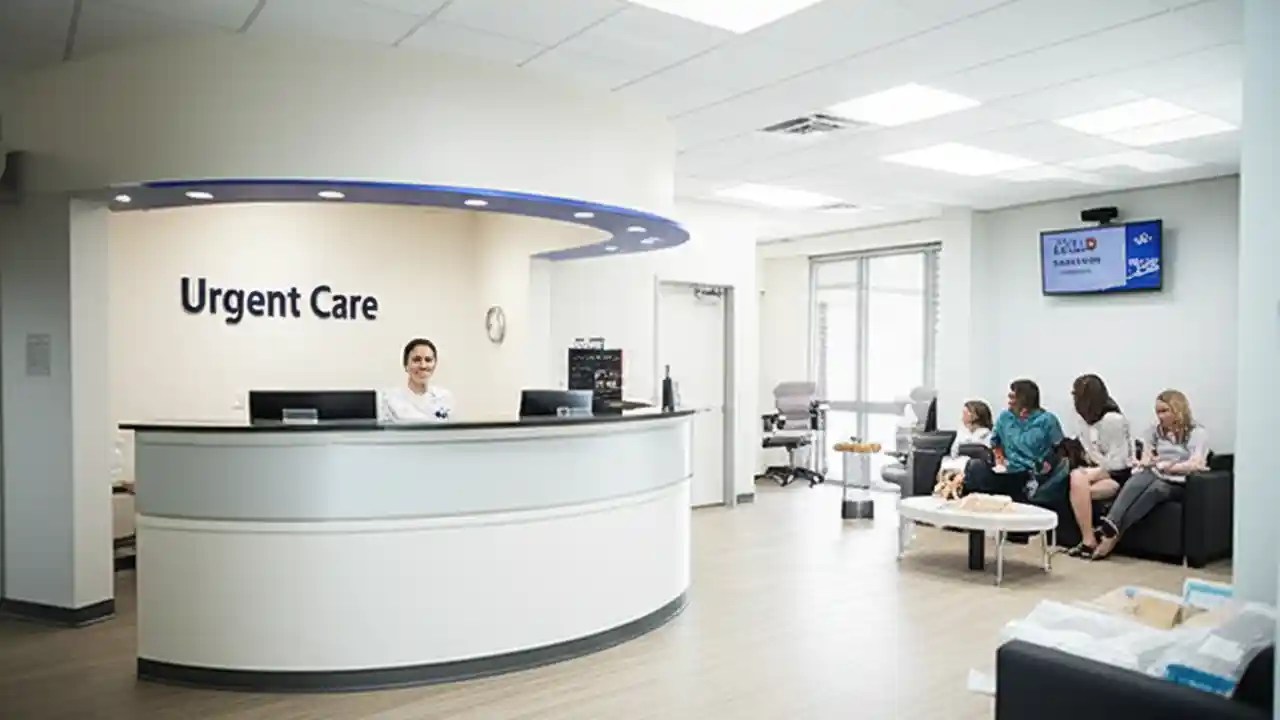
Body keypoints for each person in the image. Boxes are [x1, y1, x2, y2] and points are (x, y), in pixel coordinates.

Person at [1093, 390, 1208, 560]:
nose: (1160, 416)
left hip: (1179, 480)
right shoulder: (1154, 431)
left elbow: (1197, 463)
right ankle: (1111, 522)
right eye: (1158, 412)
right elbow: (1148, 456)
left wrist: (1171, 466)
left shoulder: (1196, 433)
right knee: (1137, 480)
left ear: (1178, 409)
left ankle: (1113, 534)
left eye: (1165, 411)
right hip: (1157, 471)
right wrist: (1144, 462)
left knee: (1156, 489)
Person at [962, 379, 1067, 503]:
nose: (1009, 400)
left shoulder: (1047, 420)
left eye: (1013, 397)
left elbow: (1060, 448)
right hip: (1008, 471)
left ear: (1025, 398)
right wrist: (999, 460)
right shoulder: (1005, 418)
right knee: (974, 467)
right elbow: (995, 443)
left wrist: (1047, 466)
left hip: (1033, 474)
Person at [1065, 375, 1133, 558]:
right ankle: (1090, 538)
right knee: (1079, 485)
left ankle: (1088, 541)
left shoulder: (1113, 420)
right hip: (1095, 473)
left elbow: (1118, 462)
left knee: (1078, 479)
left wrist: (1093, 471)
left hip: (1117, 474)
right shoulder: (1081, 420)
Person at [380, 338, 454, 423]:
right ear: (406, 365)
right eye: (416, 360)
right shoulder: (389, 399)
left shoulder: (445, 398)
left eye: (428, 360)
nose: (423, 366)